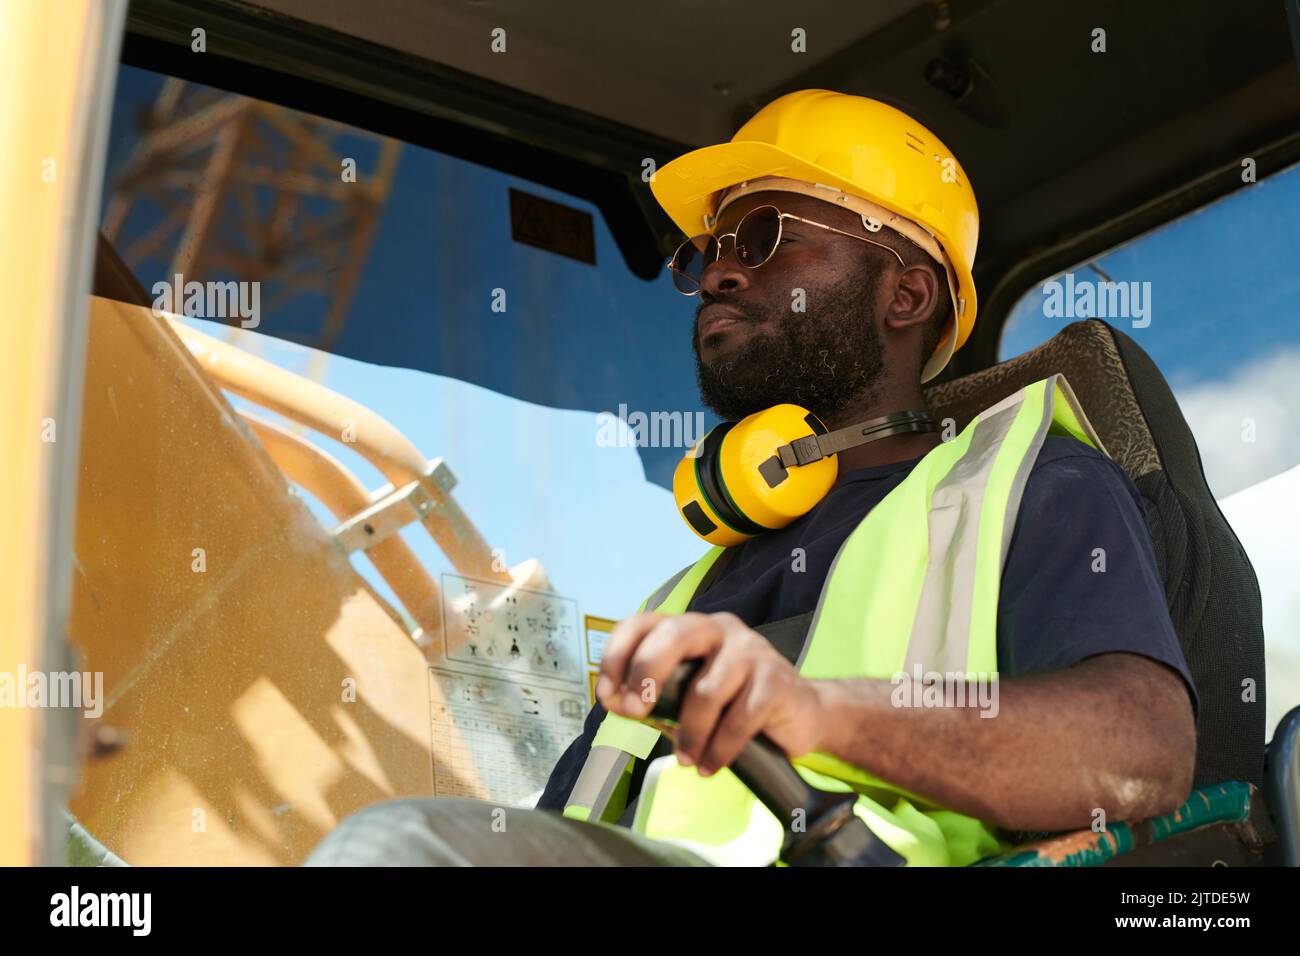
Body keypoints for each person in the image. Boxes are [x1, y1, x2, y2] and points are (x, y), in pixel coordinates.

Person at [305, 89, 1196, 867]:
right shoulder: (687, 593)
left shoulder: (1027, 487)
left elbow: (1143, 750)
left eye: (766, 236)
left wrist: (817, 715)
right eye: (714, 248)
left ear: (907, 296)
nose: (720, 269)